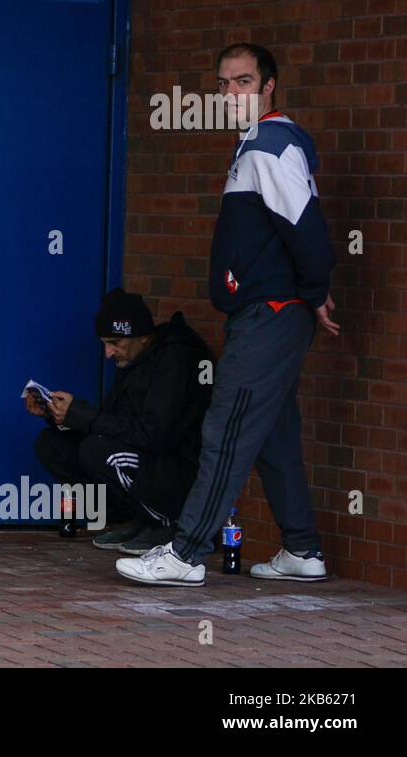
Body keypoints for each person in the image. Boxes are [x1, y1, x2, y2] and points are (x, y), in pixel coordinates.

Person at [118, 43, 338, 586]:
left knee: (227, 427)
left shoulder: (268, 145)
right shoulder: (256, 144)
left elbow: (305, 225)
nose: (231, 93)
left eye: (243, 82)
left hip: (272, 313)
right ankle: (302, 551)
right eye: (223, 83)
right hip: (271, 312)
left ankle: (187, 553)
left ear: (269, 86)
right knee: (272, 434)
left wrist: (315, 289)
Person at [31, 289, 213, 552]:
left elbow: (155, 436)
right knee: (52, 444)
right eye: (105, 342)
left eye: (115, 342)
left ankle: (173, 523)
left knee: (98, 449)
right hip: (146, 460)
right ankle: (138, 518)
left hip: (175, 470)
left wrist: (84, 416)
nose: (108, 352)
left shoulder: (177, 358)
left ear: (142, 337)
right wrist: (59, 416)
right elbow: (113, 421)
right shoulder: (133, 360)